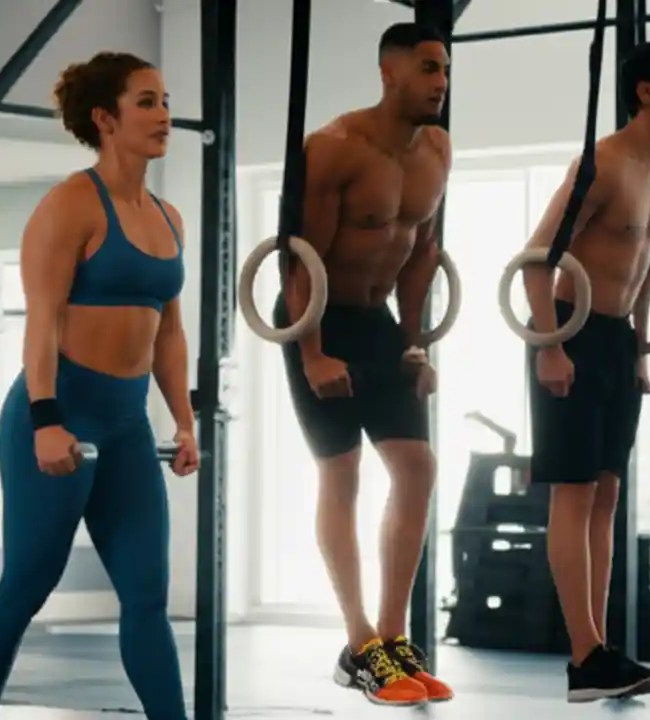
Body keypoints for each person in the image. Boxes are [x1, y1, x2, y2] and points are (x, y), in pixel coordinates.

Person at [0, 52, 199, 720]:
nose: (164, 115)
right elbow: (40, 324)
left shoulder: (168, 216)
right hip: (59, 411)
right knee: (28, 584)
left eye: (166, 100)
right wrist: (45, 418)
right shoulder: (68, 205)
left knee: (147, 595)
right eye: (146, 102)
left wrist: (183, 420)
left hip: (125, 426)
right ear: (105, 118)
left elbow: (169, 335)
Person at [273, 22, 454, 707]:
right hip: (316, 317)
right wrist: (313, 351)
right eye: (430, 69)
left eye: (445, 71)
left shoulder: (437, 149)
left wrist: (414, 343)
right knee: (342, 471)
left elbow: (420, 251)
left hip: (379, 324)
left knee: (418, 466)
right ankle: (357, 644)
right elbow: (299, 259)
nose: (440, 84)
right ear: (390, 73)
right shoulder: (335, 149)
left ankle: (392, 635)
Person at [522, 40, 650, 703]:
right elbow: (538, 258)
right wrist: (549, 345)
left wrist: (643, 352)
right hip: (569, 329)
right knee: (573, 493)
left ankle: (596, 652)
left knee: (606, 495)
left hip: (619, 341)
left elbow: (646, 264)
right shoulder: (599, 165)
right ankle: (584, 655)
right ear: (647, 91)